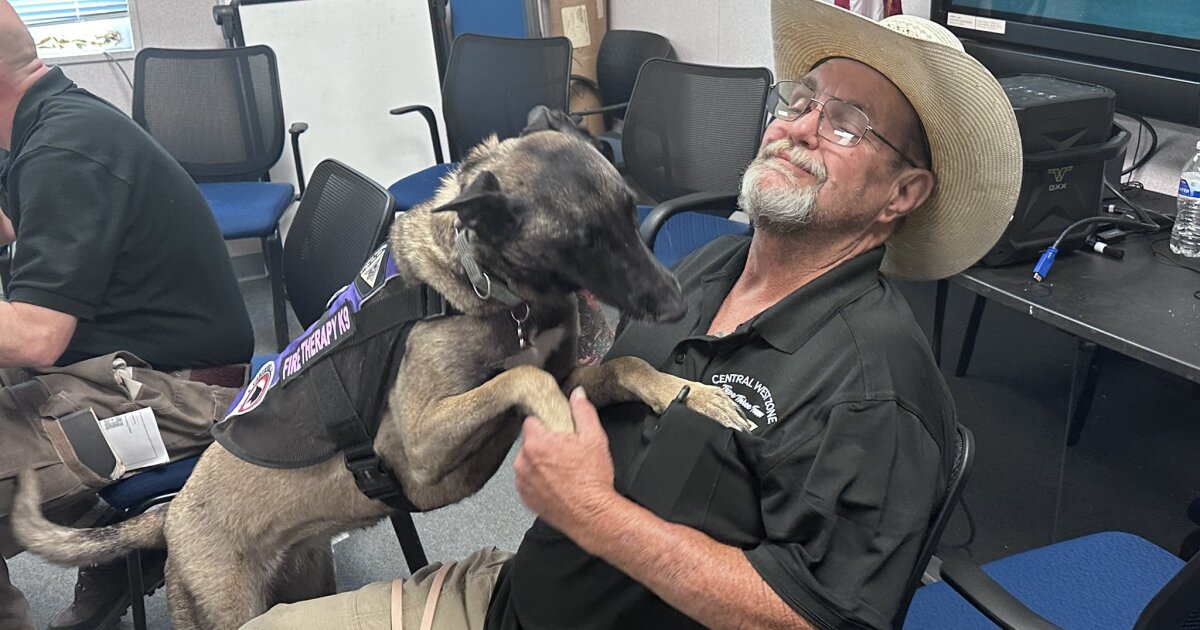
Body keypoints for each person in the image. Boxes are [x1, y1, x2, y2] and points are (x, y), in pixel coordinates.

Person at [244, 0, 1022, 628]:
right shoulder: (711, 265)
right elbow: (590, 381)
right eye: (801, 99)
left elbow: (822, 618)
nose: (798, 127)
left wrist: (590, 511)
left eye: (847, 123)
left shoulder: (872, 383)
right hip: (512, 595)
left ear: (902, 194)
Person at [0, 1, 257, 628]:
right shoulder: (55, 120)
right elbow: (31, 228)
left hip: (176, 404)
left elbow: (36, 335)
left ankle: (113, 549)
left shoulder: (63, 149)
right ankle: (119, 560)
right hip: (128, 368)